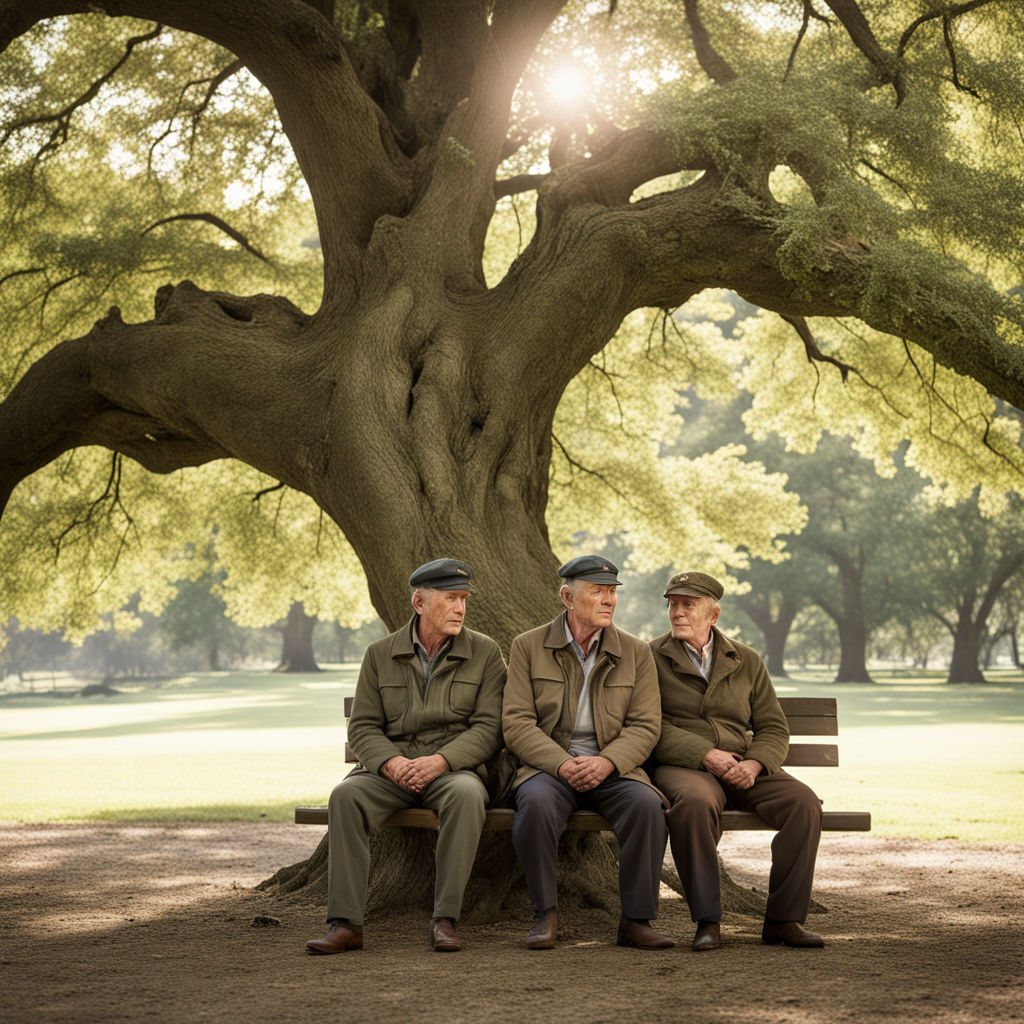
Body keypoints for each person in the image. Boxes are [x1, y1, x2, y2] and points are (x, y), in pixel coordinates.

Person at [305, 558, 505, 954]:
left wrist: (442, 761)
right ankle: (345, 925)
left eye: (464, 599)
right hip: (389, 773)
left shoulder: (485, 652)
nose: (461, 608)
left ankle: (445, 920)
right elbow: (362, 726)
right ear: (419, 602)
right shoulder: (379, 654)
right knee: (345, 797)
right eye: (451, 598)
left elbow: (489, 728)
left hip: (452, 771)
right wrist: (392, 764)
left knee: (467, 796)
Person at [501, 555, 673, 950]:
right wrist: (562, 764)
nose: (609, 600)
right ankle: (545, 914)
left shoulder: (635, 651)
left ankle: (636, 920)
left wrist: (607, 762)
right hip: (547, 768)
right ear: (567, 596)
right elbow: (517, 723)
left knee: (647, 806)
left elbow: (646, 726)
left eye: (612, 592)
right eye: (598, 592)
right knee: (537, 806)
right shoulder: (528, 646)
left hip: (612, 768)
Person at [650, 570, 824, 951]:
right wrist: (703, 754)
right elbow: (648, 725)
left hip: (743, 765)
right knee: (694, 805)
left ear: (713, 614)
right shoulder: (650, 657)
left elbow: (773, 727)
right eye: (673, 604)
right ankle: (707, 921)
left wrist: (755, 764)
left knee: (804, 803)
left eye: (688, 605)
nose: (677, 613)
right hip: (684, 765)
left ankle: (784, 920)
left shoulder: (745, 659)